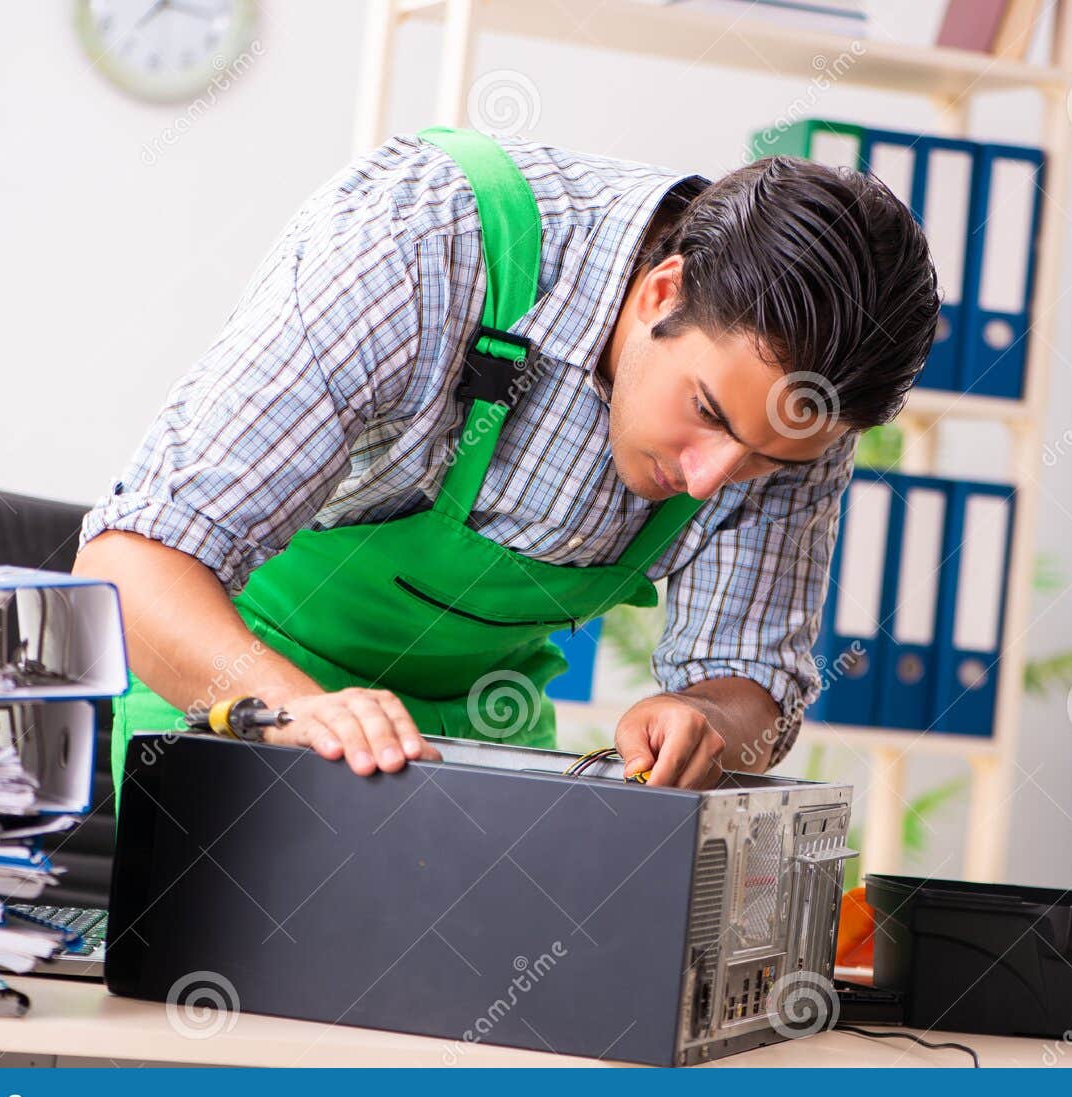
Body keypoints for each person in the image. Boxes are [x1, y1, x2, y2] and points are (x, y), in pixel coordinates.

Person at [74, 127, 939, 792]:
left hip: (480, 739)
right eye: (705, 415)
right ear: (660, 293)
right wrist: (300, 708)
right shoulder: (421, 239)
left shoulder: (804, 400)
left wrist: (705, 715)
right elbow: (130, 568)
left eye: (765, 460)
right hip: (236, 693)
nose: (713, 478)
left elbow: (753, 679)